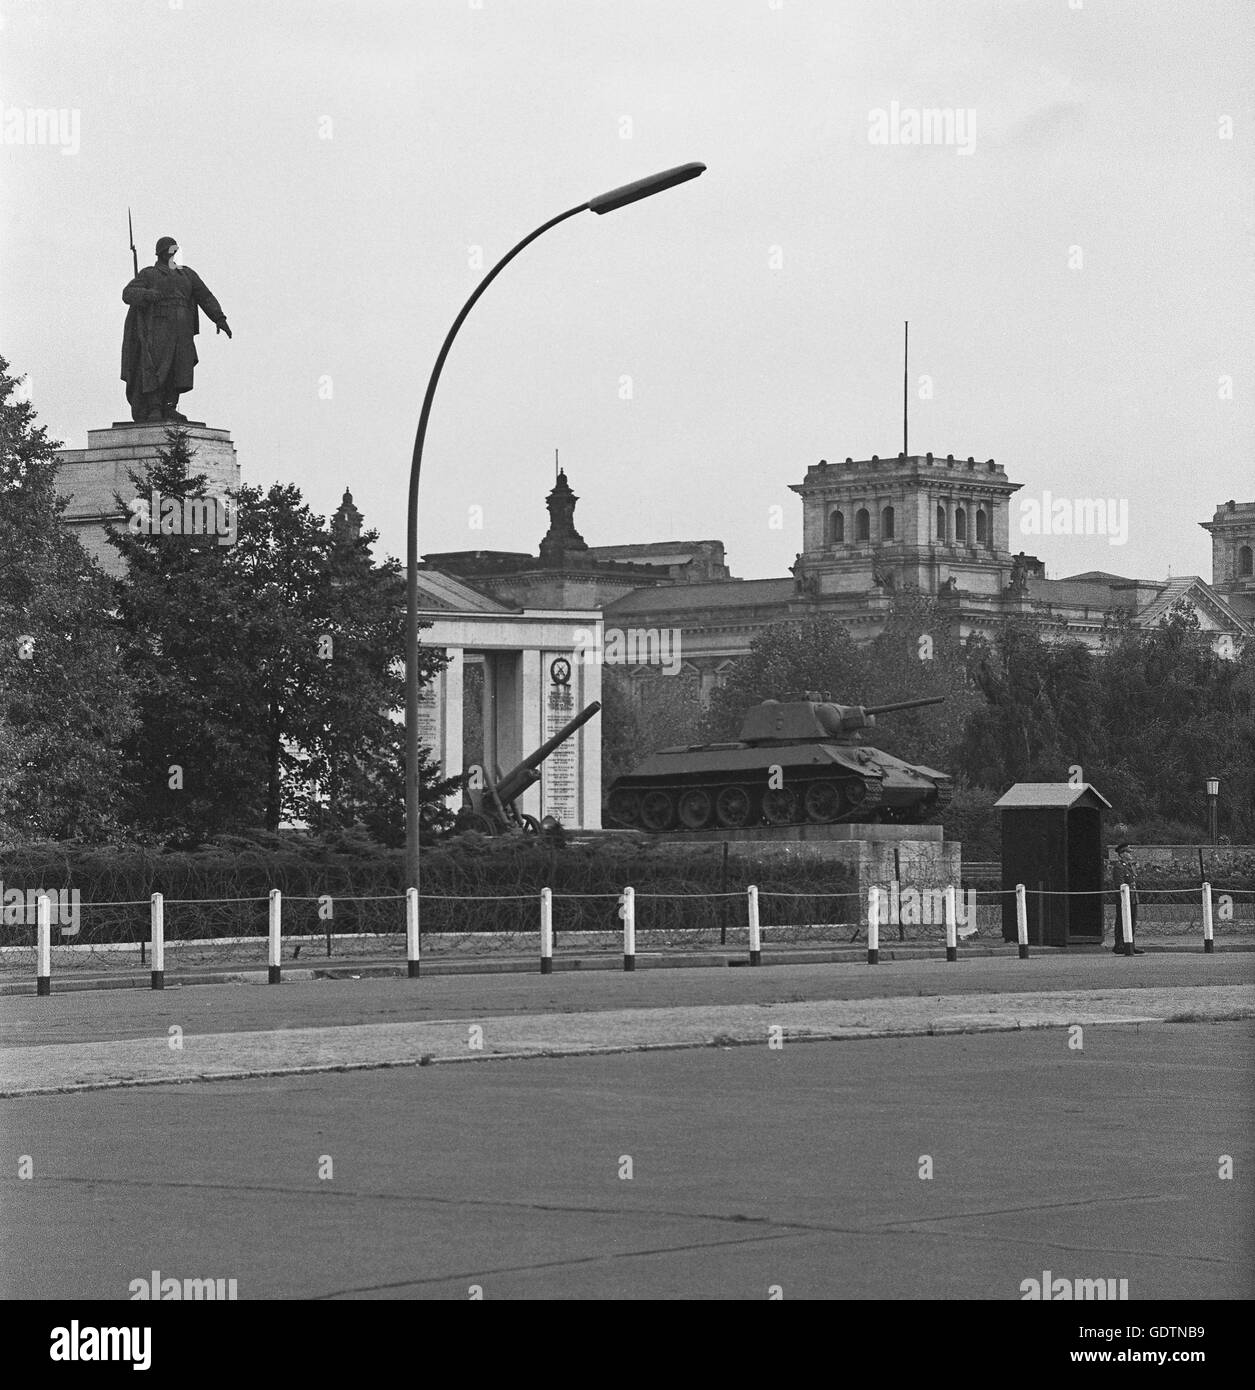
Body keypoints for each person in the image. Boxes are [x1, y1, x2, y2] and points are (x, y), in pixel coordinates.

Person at [121, 236, 231, 423]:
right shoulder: (149, 274)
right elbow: (128, 294)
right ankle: (154, 407)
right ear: (161, 252)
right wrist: (147, 294)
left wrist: (219, 318)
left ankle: (170, 406)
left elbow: (205, 296)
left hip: (183, 329)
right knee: (157, 367)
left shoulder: (186, 274)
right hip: (158, 328)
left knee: (179, 369)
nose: (172, 253)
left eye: (174, 250)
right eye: (169, 250)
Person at [1111, 843, 1144, 954]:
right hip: (1124, 899)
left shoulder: (1129, 866)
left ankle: (1130, 944)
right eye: (1128, 852)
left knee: (1132, 922)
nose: (1130, 854)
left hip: (1133, 897)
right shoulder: (1119, 867)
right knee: (1122, 922)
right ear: (1122, 854)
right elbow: (1119, 884)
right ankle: (1119, 945)